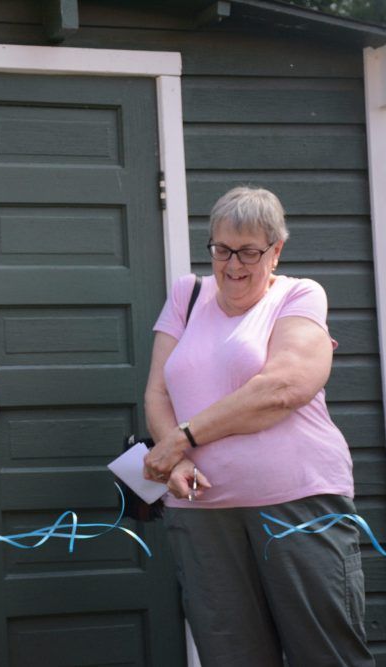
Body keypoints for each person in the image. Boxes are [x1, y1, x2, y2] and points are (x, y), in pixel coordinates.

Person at [141, 186, 374, 666]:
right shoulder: (187, 295)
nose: (232, 265)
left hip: (296, 506)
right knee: (231, 656)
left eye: (248, 251)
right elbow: (158, 393)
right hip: (201, 513)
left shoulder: (298, 295)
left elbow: (283, 388)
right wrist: (176, 460)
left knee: (325, 654)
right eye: (222, 250)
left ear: (276, 250)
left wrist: (182, 438)